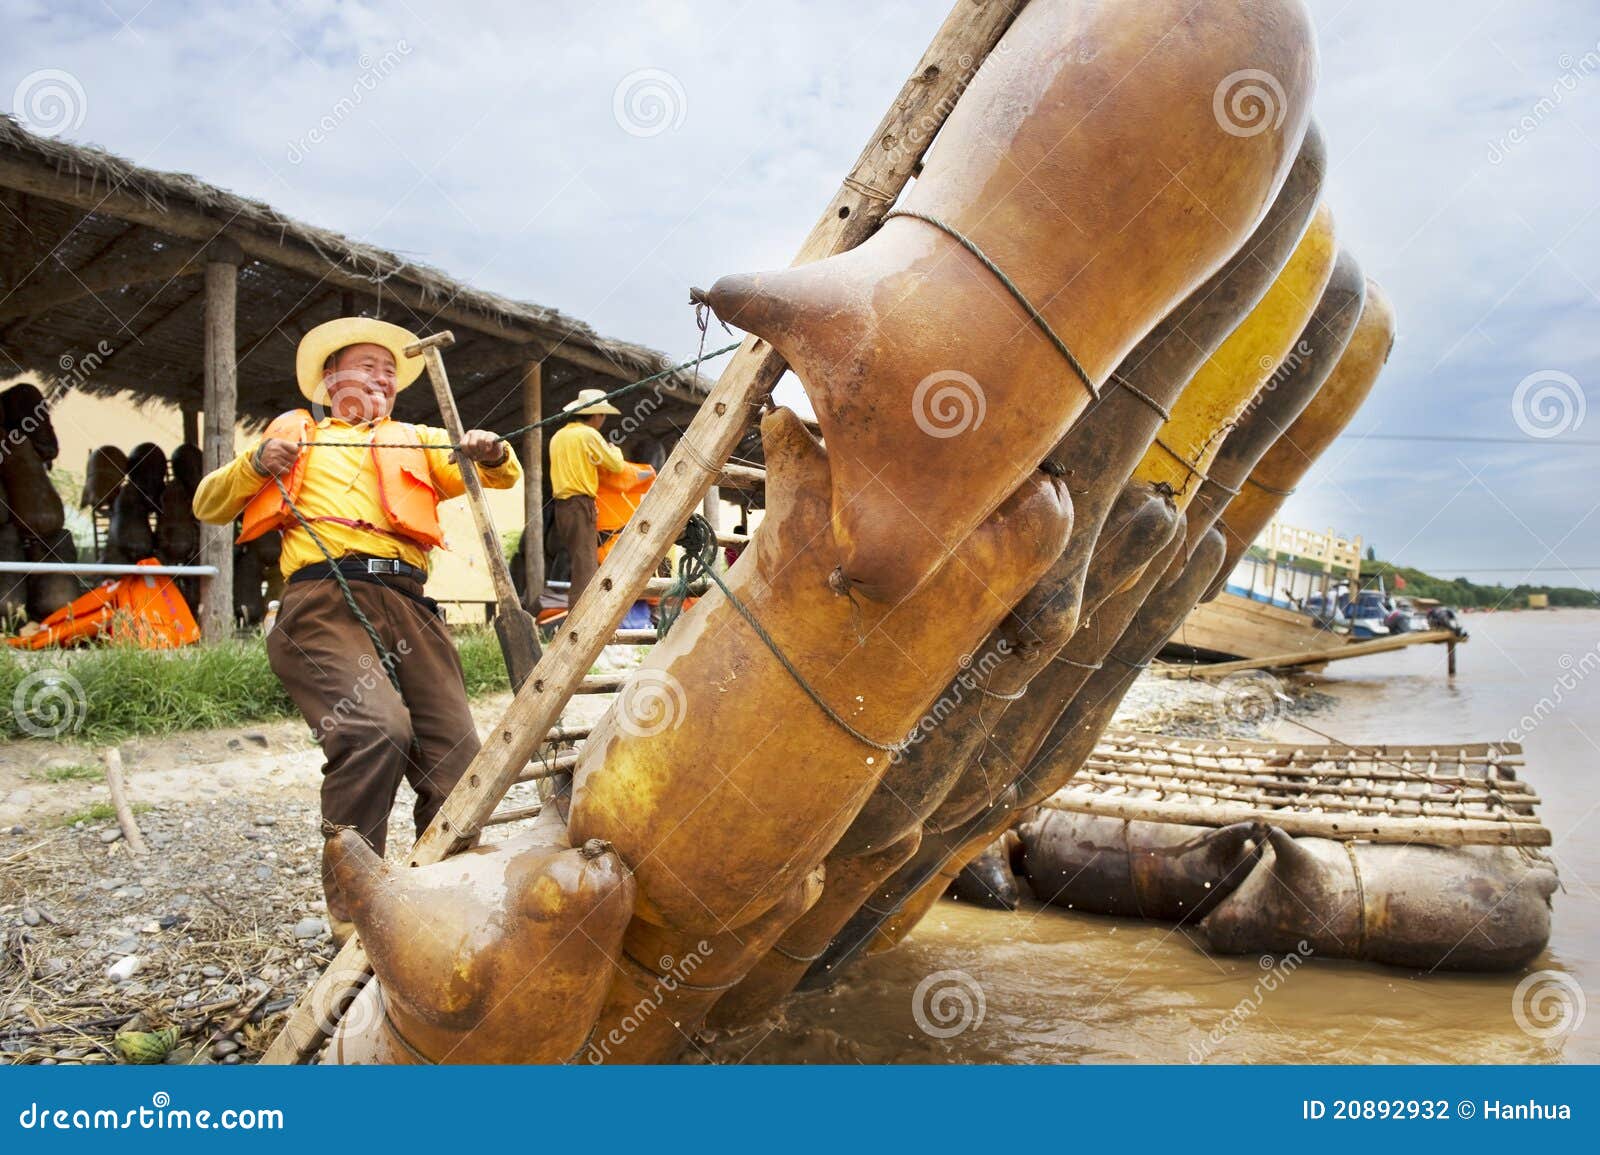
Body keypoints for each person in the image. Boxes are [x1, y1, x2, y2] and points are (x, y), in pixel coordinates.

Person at [192, 317, 522, 943]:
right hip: (323, 601)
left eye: (391, 370)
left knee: (458, 761)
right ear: (328, 380)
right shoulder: (295, 437)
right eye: (368, 365)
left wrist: (493, 451)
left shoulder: (419, 438)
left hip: (409, 602)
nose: (383, 377)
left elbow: (503, 476)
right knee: (375, 730)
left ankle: (442, 895)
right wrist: (257, 463)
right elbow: (209, 504)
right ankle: (353, 909)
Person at [548, 389, 627, 606]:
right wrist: (615, 449)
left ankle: (580, 615)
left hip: (561, 508)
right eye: (603, 416)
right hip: (580, 504)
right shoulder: (588, 435)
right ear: (597, 415)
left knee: (578, 561)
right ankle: (582, 620)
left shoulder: (558, 437)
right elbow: (615, 465)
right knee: (586, 566)